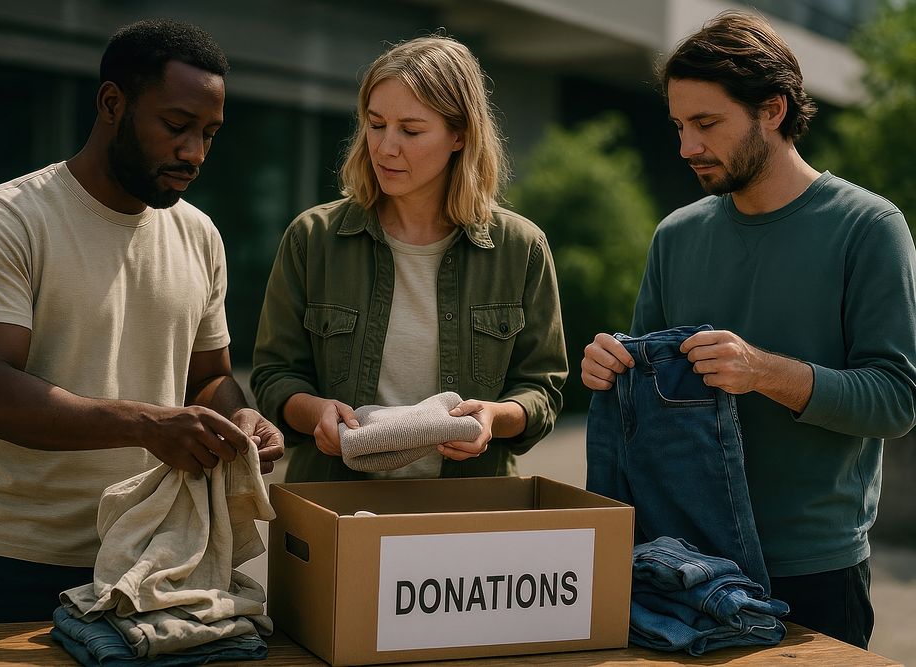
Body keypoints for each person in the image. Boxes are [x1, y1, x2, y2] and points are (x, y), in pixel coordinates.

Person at [581, 11, 916, 648]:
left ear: (772, 110)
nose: (687, 146)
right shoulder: (676, 236)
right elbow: (645, 397)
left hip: (815, 571)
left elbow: (897, 401)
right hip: (683, 566)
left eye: (707, 123)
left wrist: (763, 372)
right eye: (679, 126)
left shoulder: (869, 228)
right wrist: (609, 366)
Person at [0, 19, 284, 624]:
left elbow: (207, 378)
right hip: (16, 562)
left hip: (155, 556)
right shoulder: (7, 219)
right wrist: (147, 424)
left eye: (208, 133)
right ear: (111, 103)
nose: (195, 153)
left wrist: (238, 420)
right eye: (176, 126)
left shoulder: (199, 234)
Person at [251, 35, 567, 482]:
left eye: (411, 130)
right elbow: (274, 376)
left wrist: (494, 417)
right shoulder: (312, 238)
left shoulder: (521, 247)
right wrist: (315, 412)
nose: (385, 147)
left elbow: (541, 390)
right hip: (334, 500)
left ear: (460, 135)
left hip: (467, 508)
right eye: (376, 124)